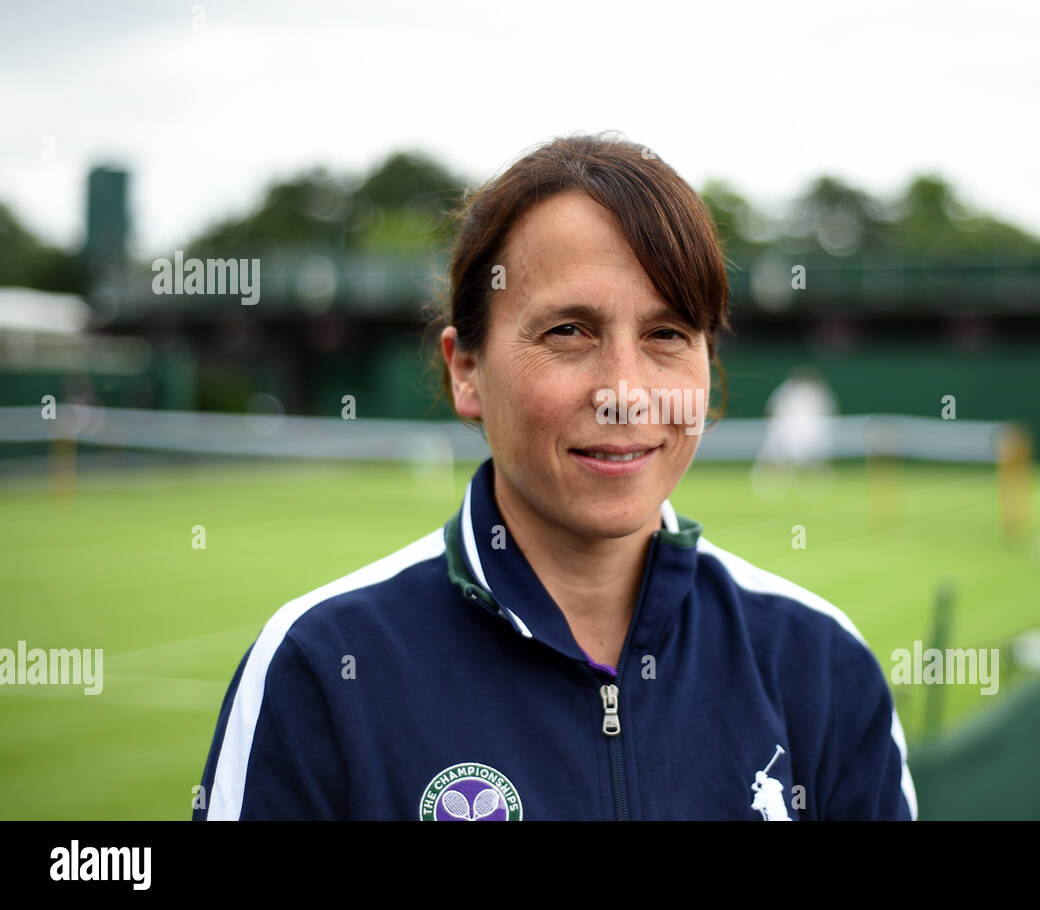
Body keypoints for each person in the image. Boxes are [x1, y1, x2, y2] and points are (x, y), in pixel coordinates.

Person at [193, 133, 916, 821]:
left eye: (667, 335)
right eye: (568, 331)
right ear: (466, 371)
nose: (627, 391)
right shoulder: (319, 666)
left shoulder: (822, 663)